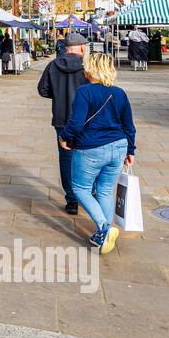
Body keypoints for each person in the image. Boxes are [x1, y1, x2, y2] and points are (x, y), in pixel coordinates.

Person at [59, 52, 136, 253]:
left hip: (91, 148)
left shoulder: (85, 92)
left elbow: (76, 123)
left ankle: (103, 228)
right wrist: (131, 149)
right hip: (118, 146)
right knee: (104, 190)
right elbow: (129, 125)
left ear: (91, 69)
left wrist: (65, 137)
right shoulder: (120, 93)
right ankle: (104, 233)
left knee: (80, 188)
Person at [38, 32, 90, 214]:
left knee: (66, 159)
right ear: (82, 48)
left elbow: (42, 90)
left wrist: (58, 96)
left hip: (61, 119)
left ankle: (72, 200)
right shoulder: (87, 66)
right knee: (86, 159)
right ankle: (86, 195)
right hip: (85, 120)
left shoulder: (53, 65)